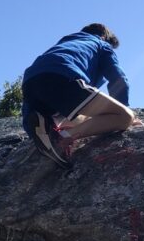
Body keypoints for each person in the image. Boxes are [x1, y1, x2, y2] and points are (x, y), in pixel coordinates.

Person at [22, 23, 136, 168]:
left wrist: (29, 127)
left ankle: (48, 129)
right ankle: (62, 139)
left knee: (82, 117)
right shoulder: (101, 44)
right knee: (125, 117)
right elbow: (118, 80)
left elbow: (31, 116)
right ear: (103, 37)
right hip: (64, 77)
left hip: (30, 82)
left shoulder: (65, 44)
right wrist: (124, 108)